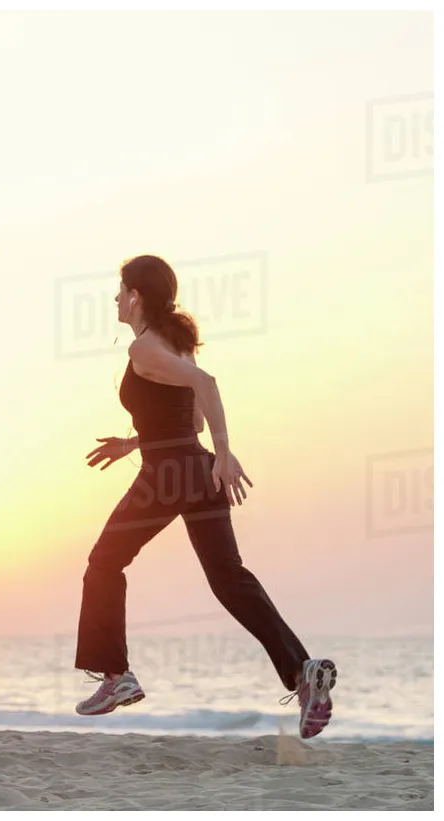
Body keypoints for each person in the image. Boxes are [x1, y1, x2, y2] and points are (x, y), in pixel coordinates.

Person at [74, 254, 337, 740]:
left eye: (119, 290)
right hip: (194, 468)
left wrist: (227, 452)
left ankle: (115, 677)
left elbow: (206, 386)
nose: (114, 298)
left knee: (104, 562)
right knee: (229, 579)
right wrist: (133, 442)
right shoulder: (175, 346)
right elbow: (189, 419)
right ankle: (303, 673)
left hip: (168, 473)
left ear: (135, 296)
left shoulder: (146, 350)